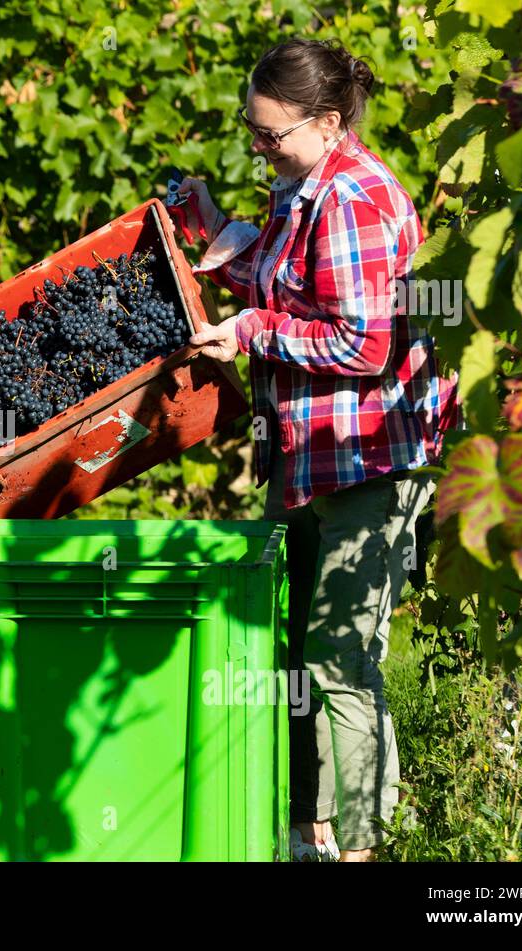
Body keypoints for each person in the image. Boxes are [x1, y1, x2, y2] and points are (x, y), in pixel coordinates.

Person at [172, 39, 459, 861]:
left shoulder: (355, 200)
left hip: (367, 460)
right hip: (306, 456)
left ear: (329, 123)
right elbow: (284, 280)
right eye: (250, 132)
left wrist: (254, 332)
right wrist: (212, 230)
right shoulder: (305, 185)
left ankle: (369, 844)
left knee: (337, 658)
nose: (259, 147)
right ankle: (313, 831)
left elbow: (362, 344)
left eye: (271, 135)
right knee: (293, 652)